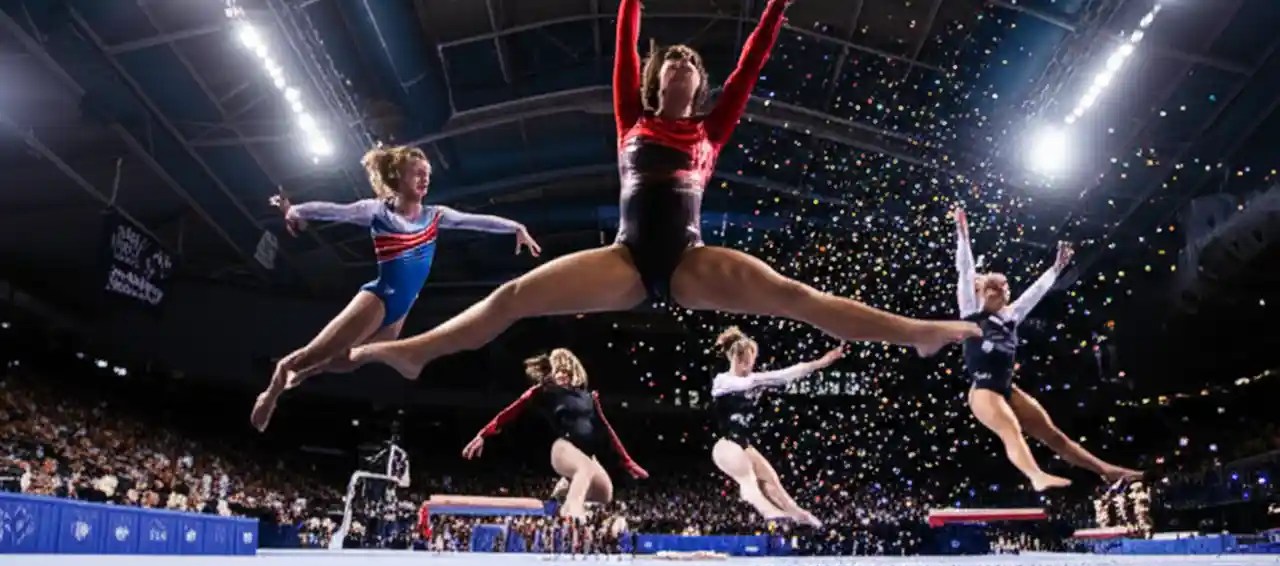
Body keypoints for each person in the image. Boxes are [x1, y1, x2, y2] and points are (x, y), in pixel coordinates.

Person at [339, 0, 978, 382]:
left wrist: (777, 6)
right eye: (672, 59)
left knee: (794, 297)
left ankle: (917, 331)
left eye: (694, 64)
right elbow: (625, 32)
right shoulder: (631, 117)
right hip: (624, 258)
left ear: (700, 86)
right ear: (655, 76)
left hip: (692, 258)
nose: (682, 63)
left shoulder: (710, 128)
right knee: (512, 296)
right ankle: (416, 353)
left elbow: (752, 60)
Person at [250, 145, 540, 431]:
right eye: (417, 173)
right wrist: (295, 211)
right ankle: (273, 390)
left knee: (348, 362)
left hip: (401, 310)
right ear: (398, 177)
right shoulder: (376, 211)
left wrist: (515, 227)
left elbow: (474, 221)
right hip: (379, 299)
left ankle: (303, 374)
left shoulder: (435, 215)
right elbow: (333, 211)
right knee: (315, 354)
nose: (425, 179)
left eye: (427, 174)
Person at [953, 206, 1141, 491]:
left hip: (1006, 388)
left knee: (1055, 437)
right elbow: (966, 269)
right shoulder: (970, 310)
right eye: (993, 289)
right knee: (1010, 430)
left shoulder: (1011, 316)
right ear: (981, 293)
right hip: (983, 391)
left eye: (1004, 290)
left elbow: (1035, 293)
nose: (1002, 292)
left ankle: (1108, 470)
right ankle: (1035, 475)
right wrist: (963, 235)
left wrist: (1056, 268)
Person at [460, 349, 648, 520]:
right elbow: (512, 410)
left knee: (604, 493)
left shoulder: (589, 398)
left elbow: (607, 429)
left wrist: (627, 461)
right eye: (558, 372)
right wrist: (483, 434)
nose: (562, 376)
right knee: (585, 469)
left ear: (575, 373)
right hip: (563, 449)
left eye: (566, 372)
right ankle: (571, 510)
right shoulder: (546, 391)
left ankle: (565, 491)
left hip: (587, 457)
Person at [711, 326, 841, 527]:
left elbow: (788, 373)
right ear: (732, 358)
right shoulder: (722, 381)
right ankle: (770, 513)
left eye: (750, 360)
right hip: (725, 446)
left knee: (774, 484)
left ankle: (801, 517)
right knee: (748, 479)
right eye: (742, 360)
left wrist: (821, 362)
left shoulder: (754, 379)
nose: (746, 365)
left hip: (744, 445)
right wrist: (762, 380)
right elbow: (743, 385)